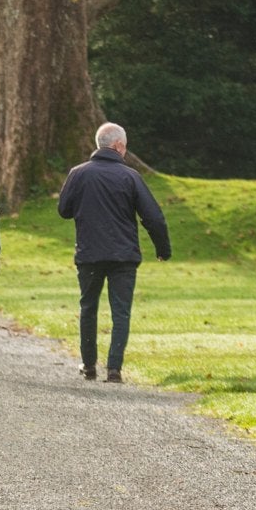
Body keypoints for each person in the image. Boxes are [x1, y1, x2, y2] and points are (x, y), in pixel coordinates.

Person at [55, 121, 170, 383]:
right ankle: (115, 368)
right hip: (124, 256)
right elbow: (153, 217)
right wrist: (163, 249)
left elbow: (64, 210)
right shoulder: (130, 177)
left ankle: (88, 365)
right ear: (118, 146)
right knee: (121, 311)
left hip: (89, 253)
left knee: (88, 307)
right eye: (125, 148)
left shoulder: (78, 173)